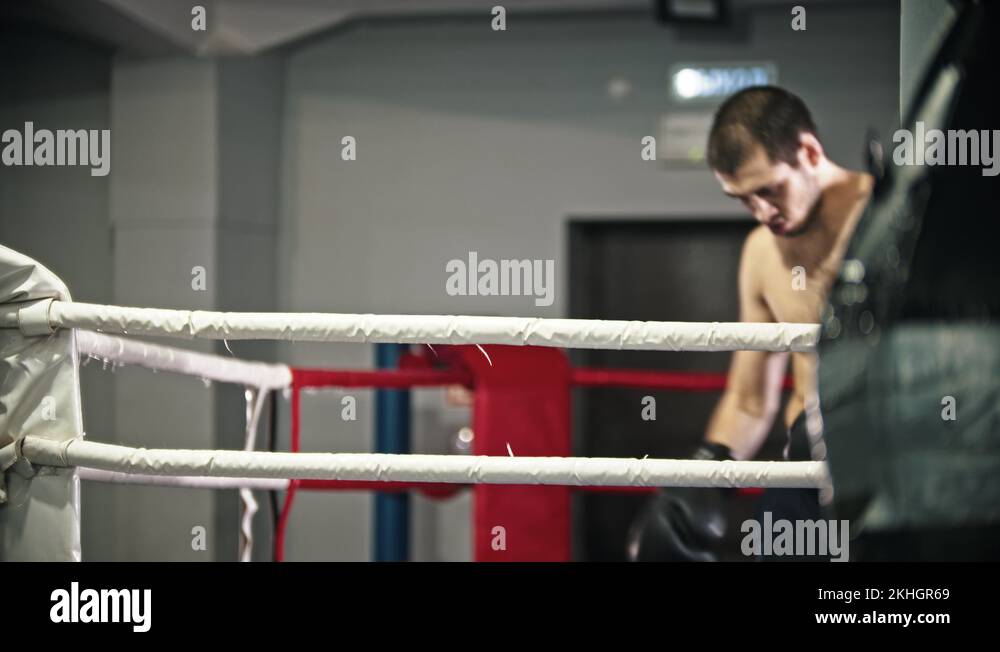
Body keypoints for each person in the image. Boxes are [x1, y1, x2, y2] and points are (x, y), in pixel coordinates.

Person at [627, 86, 872, 561]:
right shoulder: (761, 253)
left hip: (889, 454)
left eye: (769, 189)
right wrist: (705, 476)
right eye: (743, 199)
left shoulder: (890, 214)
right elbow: (750, 399)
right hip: (806, 468)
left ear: (809, 151)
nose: (762, 212)